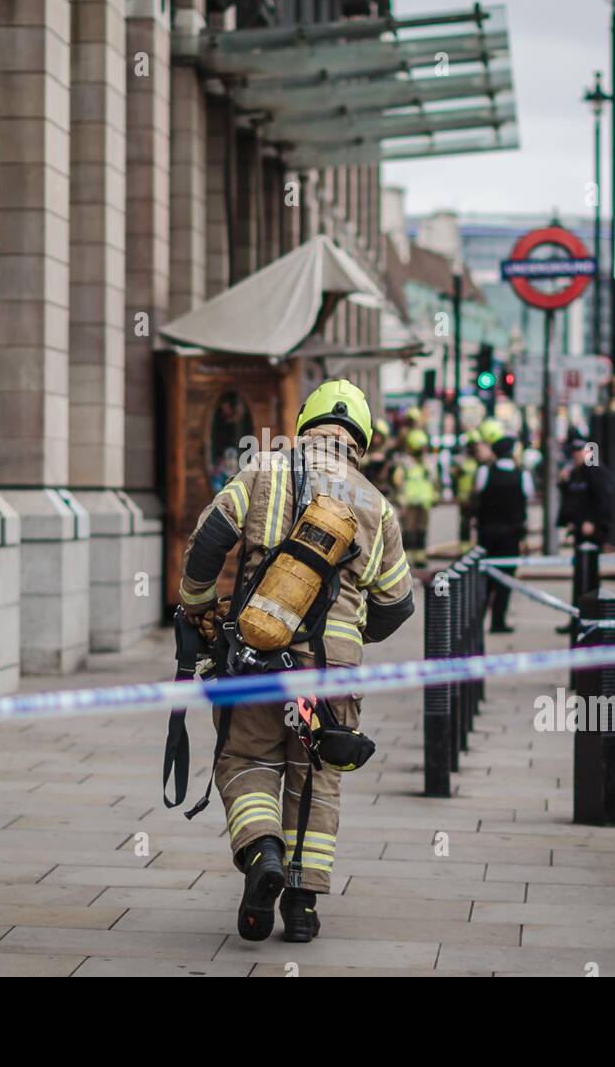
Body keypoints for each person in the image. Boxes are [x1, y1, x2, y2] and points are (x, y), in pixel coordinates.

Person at [177, 379, 414, 944]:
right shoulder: (376, 507)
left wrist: (197, 608)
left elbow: (209, 542)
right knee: (317, 776)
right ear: (362, 437)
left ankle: (262, 855)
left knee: (245, 759)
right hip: (331, 672)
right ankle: (303, 908)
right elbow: (398, 604)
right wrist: (351, 639)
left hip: (256, 658)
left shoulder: (262, 471)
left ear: (305, 422)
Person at [475, 434, 533, 633]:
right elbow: (527, 498)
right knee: (505, 579)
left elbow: (478, 496)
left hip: (487, 534)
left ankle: (477, 620)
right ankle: (498, 621)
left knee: (485, 580)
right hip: (511, 535)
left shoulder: (484, 472)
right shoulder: (522, 475)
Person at [557, 435, 615, 547]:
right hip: (579, 526)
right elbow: (571, 498)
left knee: (590, 557)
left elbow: (603, 499)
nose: (576, 455)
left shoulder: (596, 471)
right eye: (574, 452)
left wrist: (593, 522)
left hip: (593, 528)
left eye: (580, 451)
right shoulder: (575, 473)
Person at [393, 428, 437, 567]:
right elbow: (397, 481)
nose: (422, 451)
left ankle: (420, 558)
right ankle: (407, 559)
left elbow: (433, 481)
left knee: (421, 531)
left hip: (424, 503)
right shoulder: (405, 464)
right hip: (409, 503)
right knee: (409, 532)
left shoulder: (426, 463)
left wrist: (434, 496)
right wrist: (401, 500)